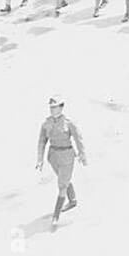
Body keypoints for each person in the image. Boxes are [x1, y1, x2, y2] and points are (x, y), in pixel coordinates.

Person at [35, 95, 86, 225]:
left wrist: (82, 154)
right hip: (53, 156)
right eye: (51, 107)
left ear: (61, 107)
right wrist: (40, 160)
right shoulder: (46, 123)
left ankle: (56, 216)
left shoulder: (69, 123)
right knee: (64, 179)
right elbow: (41, 142)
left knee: (62, 184)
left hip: (67, 155)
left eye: (55, 107)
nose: (52, 110)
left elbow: (78, 138)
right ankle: (73, 200)